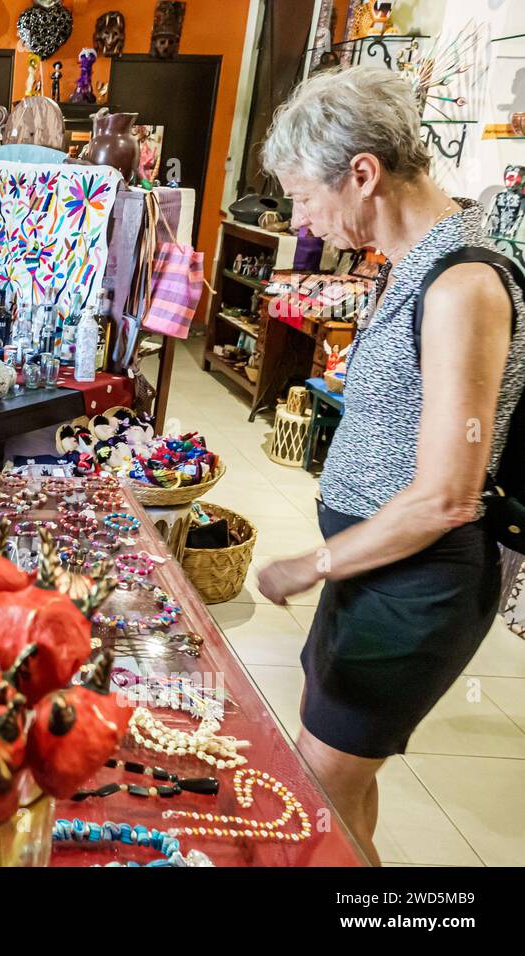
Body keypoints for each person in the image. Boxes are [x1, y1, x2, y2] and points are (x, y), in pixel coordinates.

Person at [258, 66, 525, 864]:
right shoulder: (415, 265)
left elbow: (448, 494)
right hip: (375, 570)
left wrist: (314, 563)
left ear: (363, 173)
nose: (302, 220)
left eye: (305, 197)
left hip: (419, 585)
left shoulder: (462, 286)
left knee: (317, 795)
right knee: (342, 787)